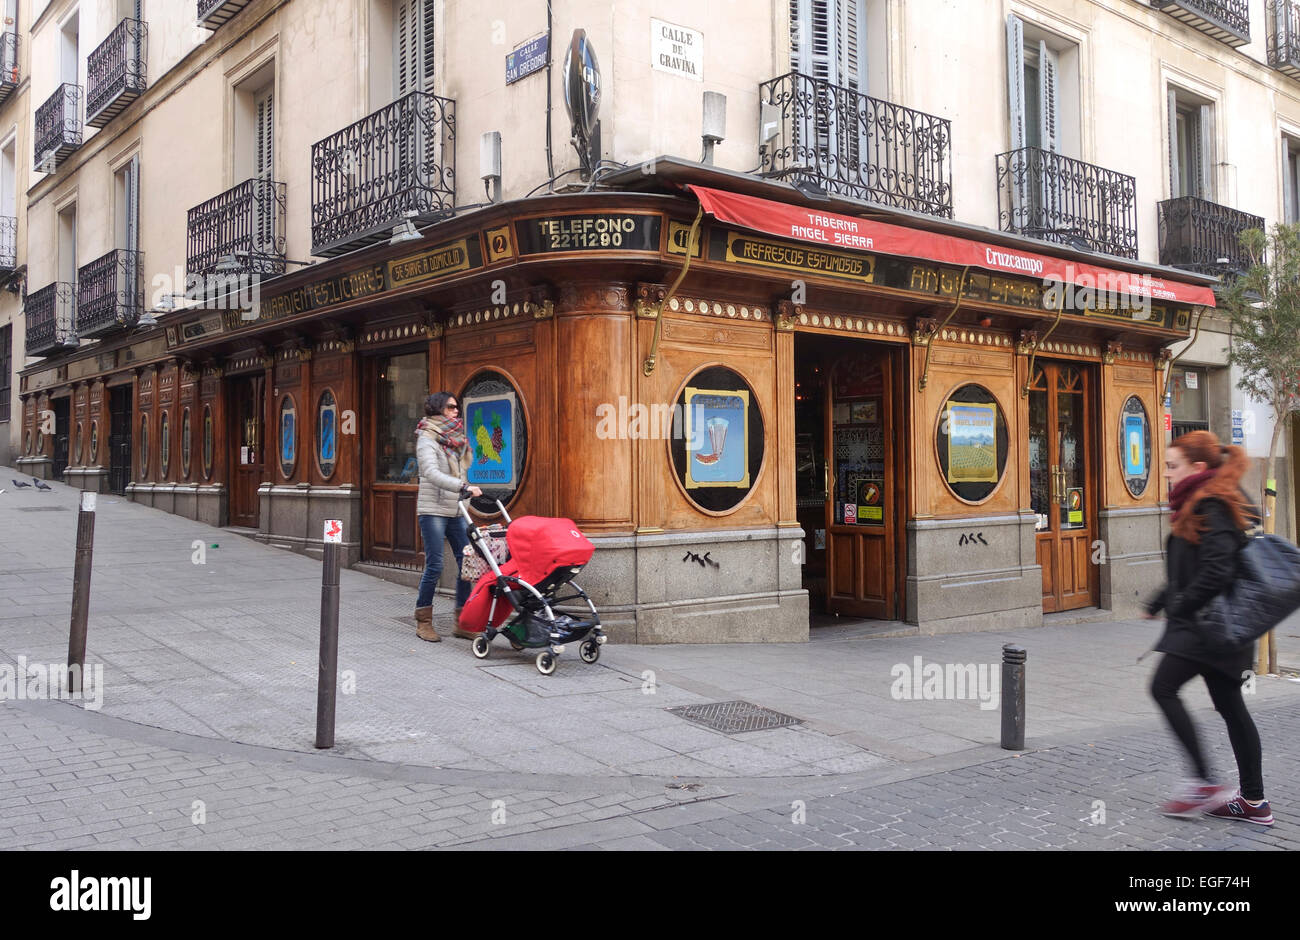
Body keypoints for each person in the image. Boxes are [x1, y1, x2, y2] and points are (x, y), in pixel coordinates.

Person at [1142, 430, 1271, 825]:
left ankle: (1203, 783)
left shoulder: (1212, 503)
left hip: (1208, 628)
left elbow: (1217, 570)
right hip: (1218, 629)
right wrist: (1161, 599)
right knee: (1231, 707)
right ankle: (1253, 801)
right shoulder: (1203, 499)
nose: (1165, 473)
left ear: (1197, 467)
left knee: (1162, 688)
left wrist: (1179, 603)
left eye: (1171, 465)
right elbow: (1196, 565)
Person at [413, 392, 481, 642]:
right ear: (438, 409)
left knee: (467, 564)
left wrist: (465, 490)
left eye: (457, 407)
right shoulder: (427, 438)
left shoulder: (455, 439)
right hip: (433, 510)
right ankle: (423, 621)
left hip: (456, 509)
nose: (456, 411)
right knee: (435, 565)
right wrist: (461, 487)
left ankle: (462, 622)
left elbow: (462, 473)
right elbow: (430, 472)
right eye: (451, 407)